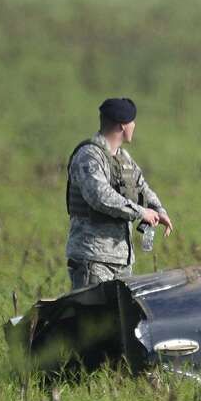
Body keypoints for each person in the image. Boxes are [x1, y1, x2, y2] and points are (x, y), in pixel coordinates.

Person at [65, 97, 173, 290]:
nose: (134, 126)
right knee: (94, 319)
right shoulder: (89, 156)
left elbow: (142, 187)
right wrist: (141, 212)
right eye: (132, 122)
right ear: (123, 126)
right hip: (93, 259)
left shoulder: (123, 158)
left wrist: (158, 209)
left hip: (121, 260)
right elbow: (100, 197)